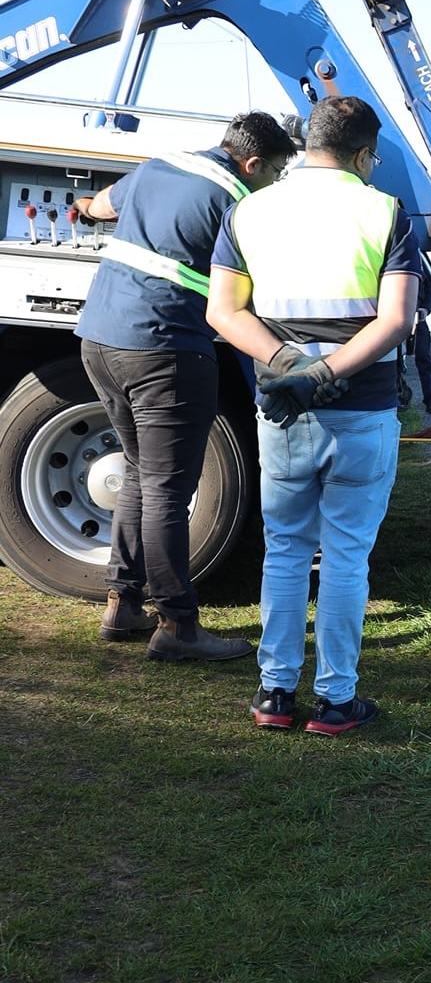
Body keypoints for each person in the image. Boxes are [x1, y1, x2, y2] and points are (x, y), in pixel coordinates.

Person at [207, 96, 419, 735]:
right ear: (361, 154)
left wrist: (290, 369)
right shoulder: (384, 212)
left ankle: (274, 694)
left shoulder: (249, 209)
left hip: (283, 412)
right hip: (363, 411)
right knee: (347, 558)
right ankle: (335, 701)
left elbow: (225, 312)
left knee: (285, 552)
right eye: (373, 156)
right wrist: (325, 373)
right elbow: (396, 320)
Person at [74, 112, 297, 659]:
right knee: (168, 492)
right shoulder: (241, 203)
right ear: (252, 163)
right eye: (275, 171)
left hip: (99, 340)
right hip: (165, 350)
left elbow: (100, 205)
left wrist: (81, 209)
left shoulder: (159, 166)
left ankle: (123, 601)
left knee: (138, 473)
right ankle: (177, 625)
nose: (274, 181)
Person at [410, 267, 431, 415]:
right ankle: (397, 400)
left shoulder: (423, 264)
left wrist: (426, 309)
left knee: (424, 358)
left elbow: (430, 290)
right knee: (394, 361)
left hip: (418, 319)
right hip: (394, 318)